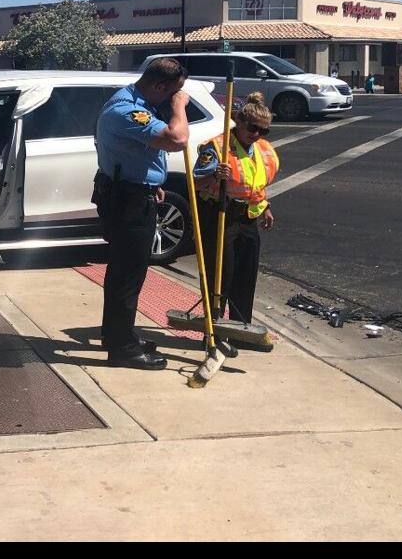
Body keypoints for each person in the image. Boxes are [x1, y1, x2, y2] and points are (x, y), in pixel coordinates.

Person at [91, 58, 190, 369]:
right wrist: (179, 105)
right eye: (173, 91)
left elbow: (137, 151)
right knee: (128, 275)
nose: (175, 95)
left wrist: (151, 181)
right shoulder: (126, 109)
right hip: (128, 200)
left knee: (123, 272)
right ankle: (123, 349)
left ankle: (116, 335)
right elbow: (177, 139)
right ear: (160, 86)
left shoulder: (133, 103)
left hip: (131, 191)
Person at [191, 91, 280, 330]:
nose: (257, 135)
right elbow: (195, 183)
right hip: (220, 215)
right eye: (252, 128)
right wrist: (214, 175)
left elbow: (254, 183)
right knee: (221, 275)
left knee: (245, 275)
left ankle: (240, 328)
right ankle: (214, 329)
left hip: (247, 217)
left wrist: (265, 207)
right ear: (238, 122)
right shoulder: (217, 148)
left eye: (263, 131)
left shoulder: (262, 150)